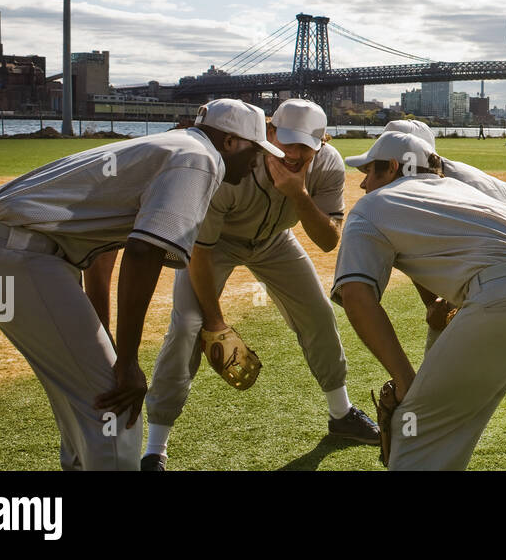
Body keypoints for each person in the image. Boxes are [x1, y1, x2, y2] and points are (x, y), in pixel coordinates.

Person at [0, 99, 282, 470]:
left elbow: (103, 254)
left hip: (5, 246)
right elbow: (142, 254)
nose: (257, 161)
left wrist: (106, 340)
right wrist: (126, 362)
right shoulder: (200, 158)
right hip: (16, 251)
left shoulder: (174, 147)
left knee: (85, 396)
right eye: (255, 149)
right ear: (231, 142)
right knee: (116, 403)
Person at [333, 132, 506, 470]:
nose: (363, 184)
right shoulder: (463, 188)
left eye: (369, 172)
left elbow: (357, 296)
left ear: (393, 168)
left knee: (419, 430)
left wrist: (406, 382)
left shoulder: (372, 206)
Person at [141, 99, 379, 471]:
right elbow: (201, 252)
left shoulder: (328, 163)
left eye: (305, 146)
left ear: (322, 143)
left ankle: (341, 414)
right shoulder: (234, 164)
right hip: (214, 245)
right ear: (269, 132)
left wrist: (298, 194)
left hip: (274, 240)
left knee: (318, 313)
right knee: (188, 323)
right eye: (286, 141)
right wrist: (216, 322)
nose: (294, 153)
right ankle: (155, 447)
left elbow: (329, 240)